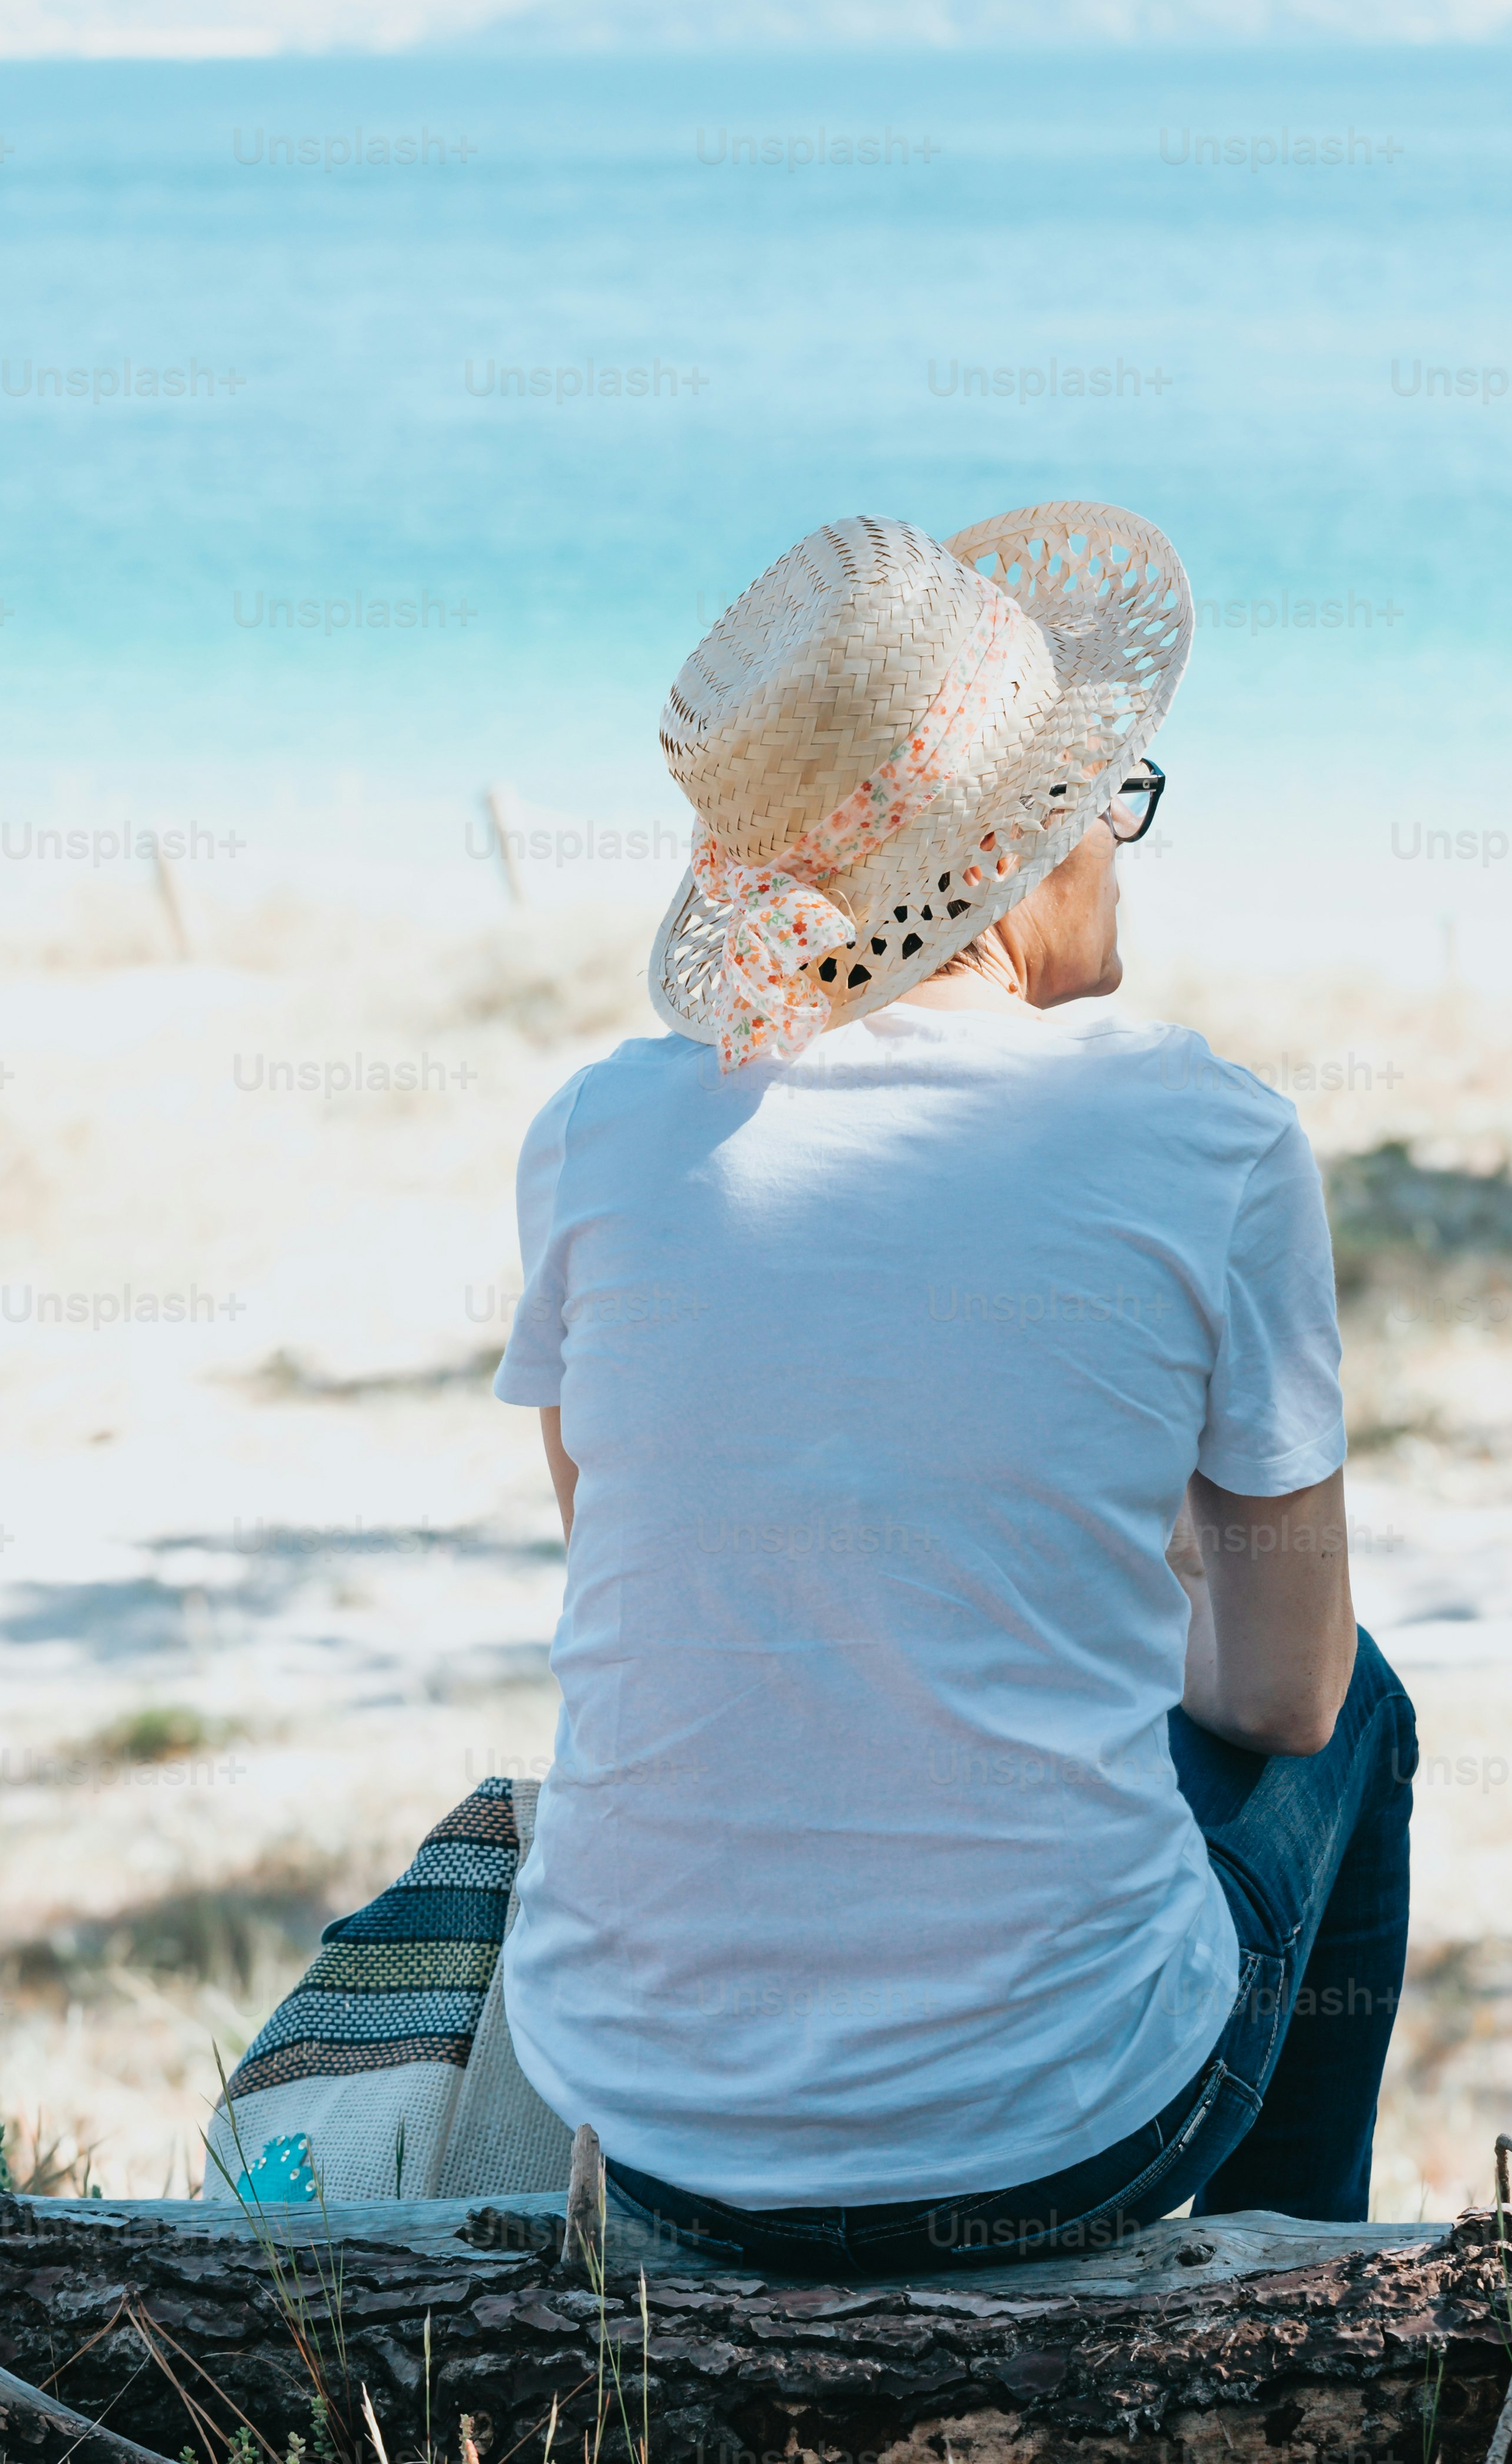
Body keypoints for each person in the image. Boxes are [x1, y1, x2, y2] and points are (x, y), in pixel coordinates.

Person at [491, 502, 1416, 2278]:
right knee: (1360, 1702)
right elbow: (1281, 1699)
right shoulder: (1204, 1135)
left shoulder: (600, 1133)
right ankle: (1287, 2288)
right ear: (1022, 841)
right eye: (1110, 797)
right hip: (1058, 2134)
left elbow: (656, 1564)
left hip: (649, 2128)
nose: (1123, 843)